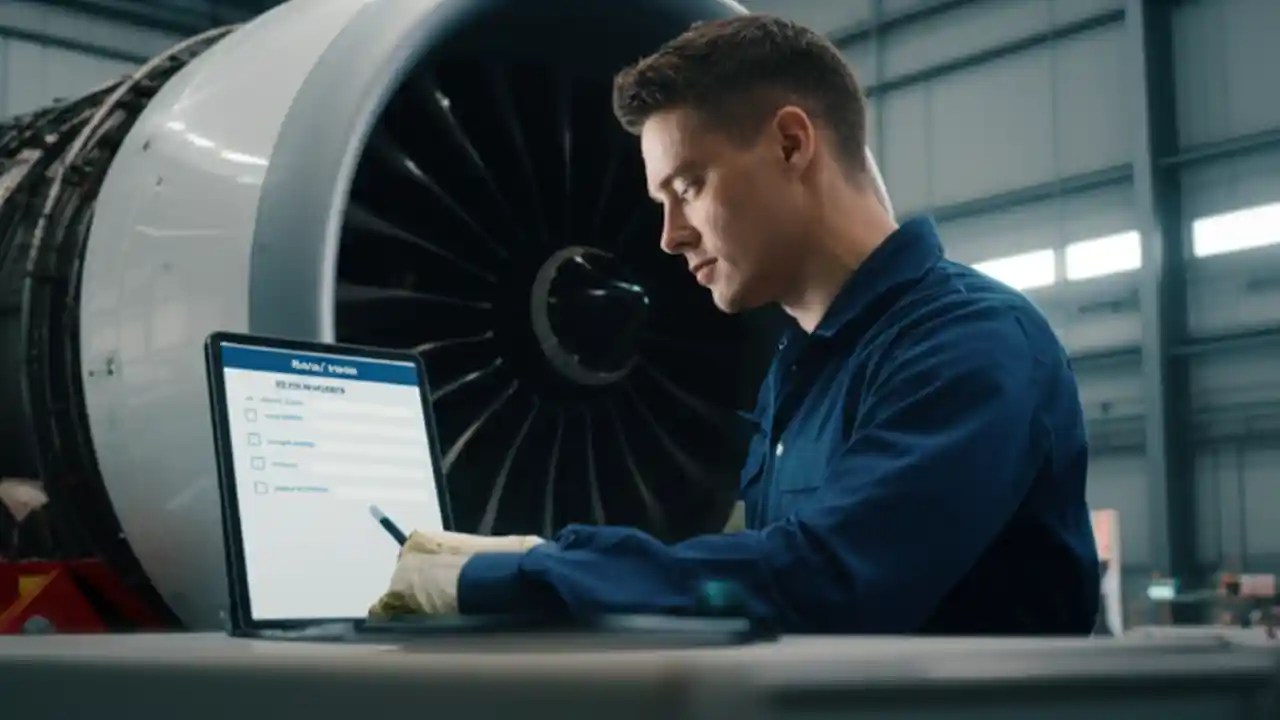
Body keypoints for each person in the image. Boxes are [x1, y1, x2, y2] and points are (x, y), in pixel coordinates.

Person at [369, 15, 1101, 634]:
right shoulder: (799, 368)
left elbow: (824, 581)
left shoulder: (973, 343)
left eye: (688, 186)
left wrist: (522, 571)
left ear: (791, 144)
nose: (669, 236)